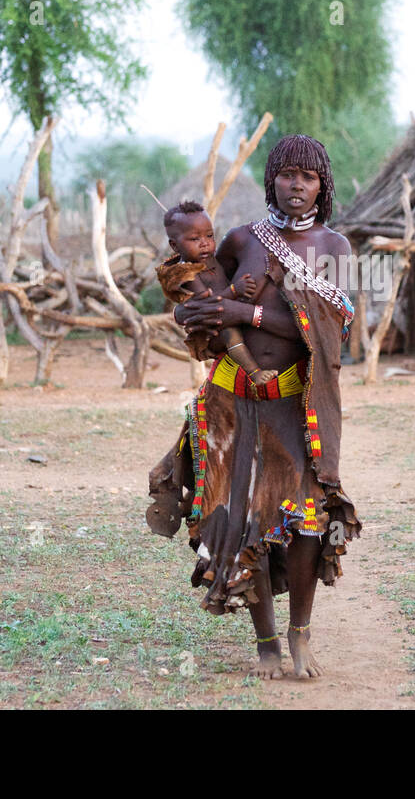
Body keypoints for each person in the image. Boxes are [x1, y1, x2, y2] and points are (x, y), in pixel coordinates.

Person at [147, 134, 360, 681]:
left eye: (308, 177)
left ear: (322, 186)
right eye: (287, 174)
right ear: (272, 181)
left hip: (295, 402)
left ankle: (301, 632)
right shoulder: (243, 238)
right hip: (233, 402)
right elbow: (200, 293)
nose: (297, 185)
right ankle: (266, 640)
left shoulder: (334, 249)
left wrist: (248, 311)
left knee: (308, 523)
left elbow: (326, 335)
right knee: (247, 524)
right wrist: (192, 316)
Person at [155, 199, 277, 388]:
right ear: (175, 246)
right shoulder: (187, 273)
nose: (204, 244)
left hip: (227, 311)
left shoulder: (213, 259)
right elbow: (208, 305)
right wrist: (235, 290)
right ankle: (255, 373)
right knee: (232, 336)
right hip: (212, 327)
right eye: (195, 239)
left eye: (209, 236)